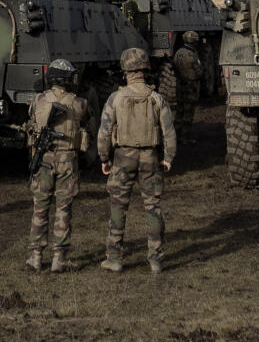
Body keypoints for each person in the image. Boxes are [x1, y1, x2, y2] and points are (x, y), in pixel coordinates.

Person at [96, 46, 177, 272]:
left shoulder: (115, 98)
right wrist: (168, 157)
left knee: (118, 206)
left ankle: (114, 258)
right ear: (145, 69)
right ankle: (156, 259)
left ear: (125, 71)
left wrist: (104, 158)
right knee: (153, 206)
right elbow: (169, 132)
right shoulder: (157, 98)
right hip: (150, 157)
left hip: (123, 157)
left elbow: (104, 132)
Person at [25, 58, 90, 272]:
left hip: (44, 159)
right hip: (67, 159)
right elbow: (86, 120)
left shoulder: (38, 100)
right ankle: (58, 258)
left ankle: (35, 256)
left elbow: (32, 119)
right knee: (63, 208)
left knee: (40, 207)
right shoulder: (79, 103)